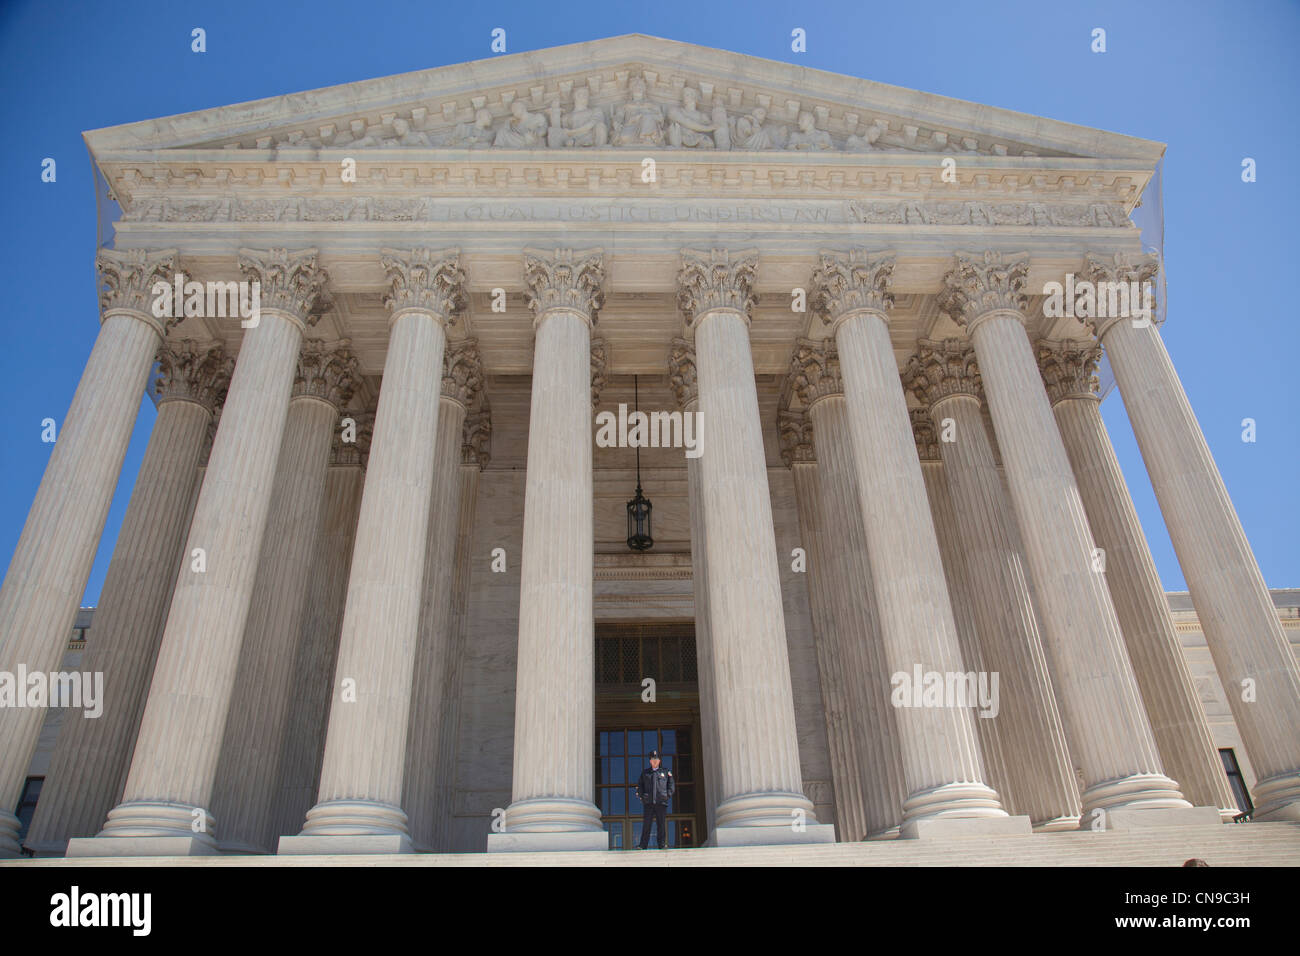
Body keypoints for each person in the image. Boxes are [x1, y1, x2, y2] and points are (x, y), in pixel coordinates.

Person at [635, 749, 675, 849]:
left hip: (661, 803)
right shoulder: (645, 773)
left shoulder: (665, 772)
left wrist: (667, 795)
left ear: (659, 760)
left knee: (661, 824)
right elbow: (640, 786)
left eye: (656, 759)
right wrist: (642, 797)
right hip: (648, 803)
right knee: (646, 825)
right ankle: (643, 845)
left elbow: (671, 785)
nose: (655, 761)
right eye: (653, 759)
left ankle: (661, 844)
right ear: (650, 761)